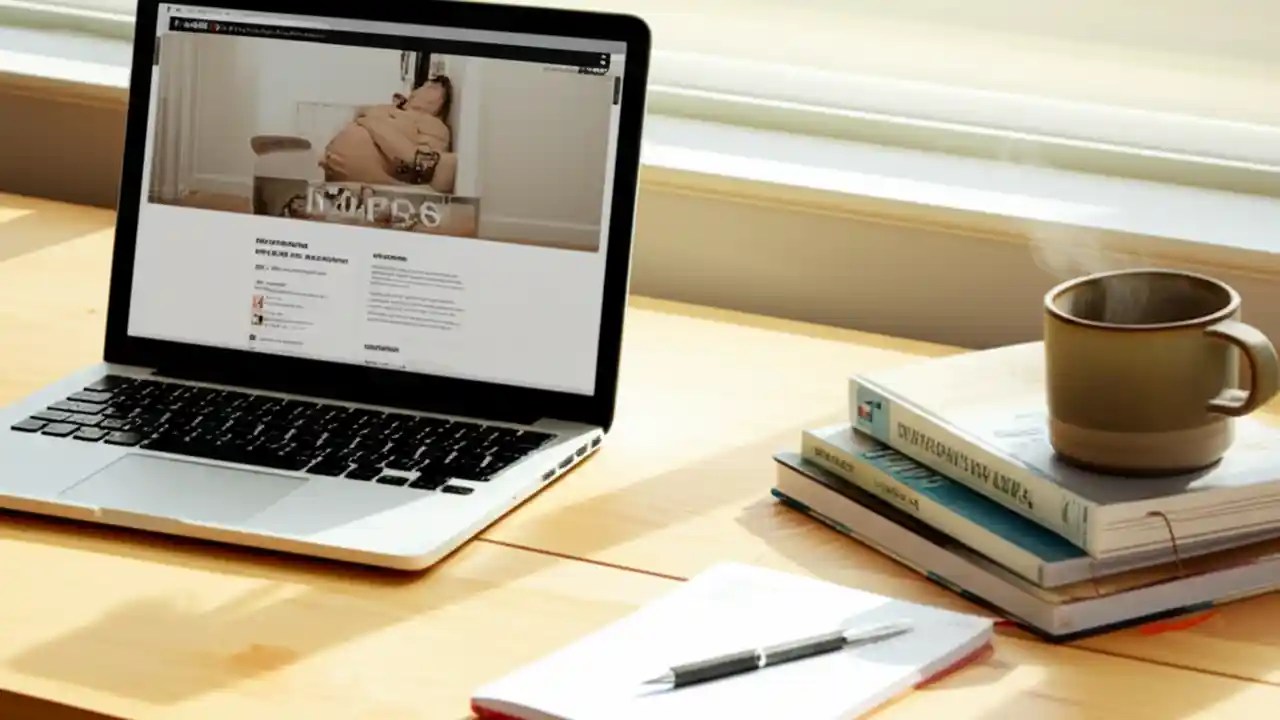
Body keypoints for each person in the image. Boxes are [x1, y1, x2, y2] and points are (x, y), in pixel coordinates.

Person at [319, 76, 457, 192]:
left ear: (440, 106)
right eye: (423, 86)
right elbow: (360, 113)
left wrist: (369, 122)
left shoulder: (434, 126)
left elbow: (416, 161)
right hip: (336, 172)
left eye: (432, 88)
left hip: (365, 176)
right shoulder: (394, 110)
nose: (421, 90)